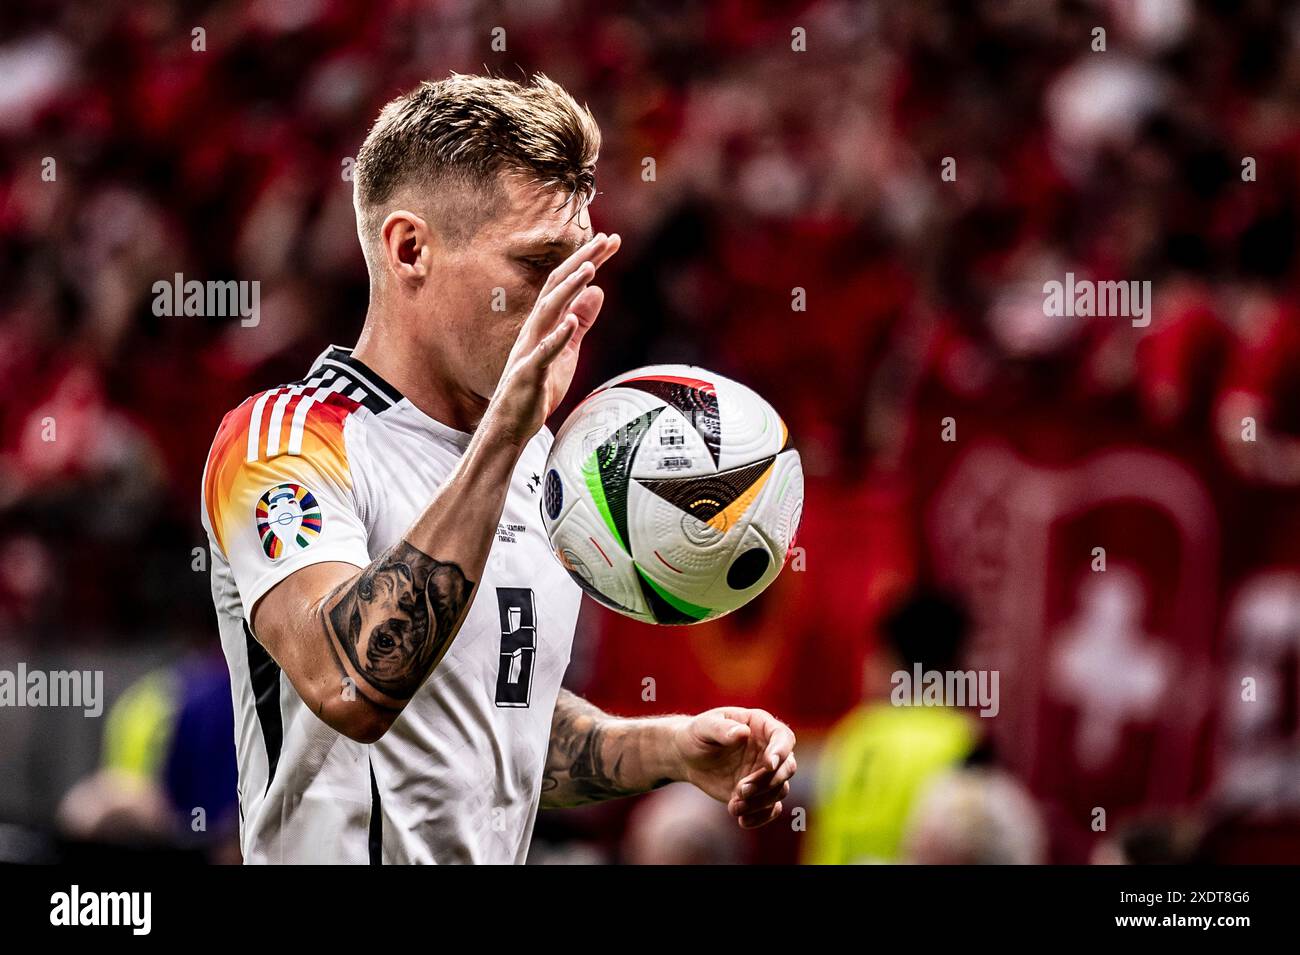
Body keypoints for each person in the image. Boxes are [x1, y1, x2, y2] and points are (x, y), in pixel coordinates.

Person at [200, 73, 796, 863]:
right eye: (539, 264)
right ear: (410, 249)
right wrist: (506, 441)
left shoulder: (545, 464)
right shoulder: (284, 440)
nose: (572, 303)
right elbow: (351, 683)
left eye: (584, 267)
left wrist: (671, 748)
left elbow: (493, 726)